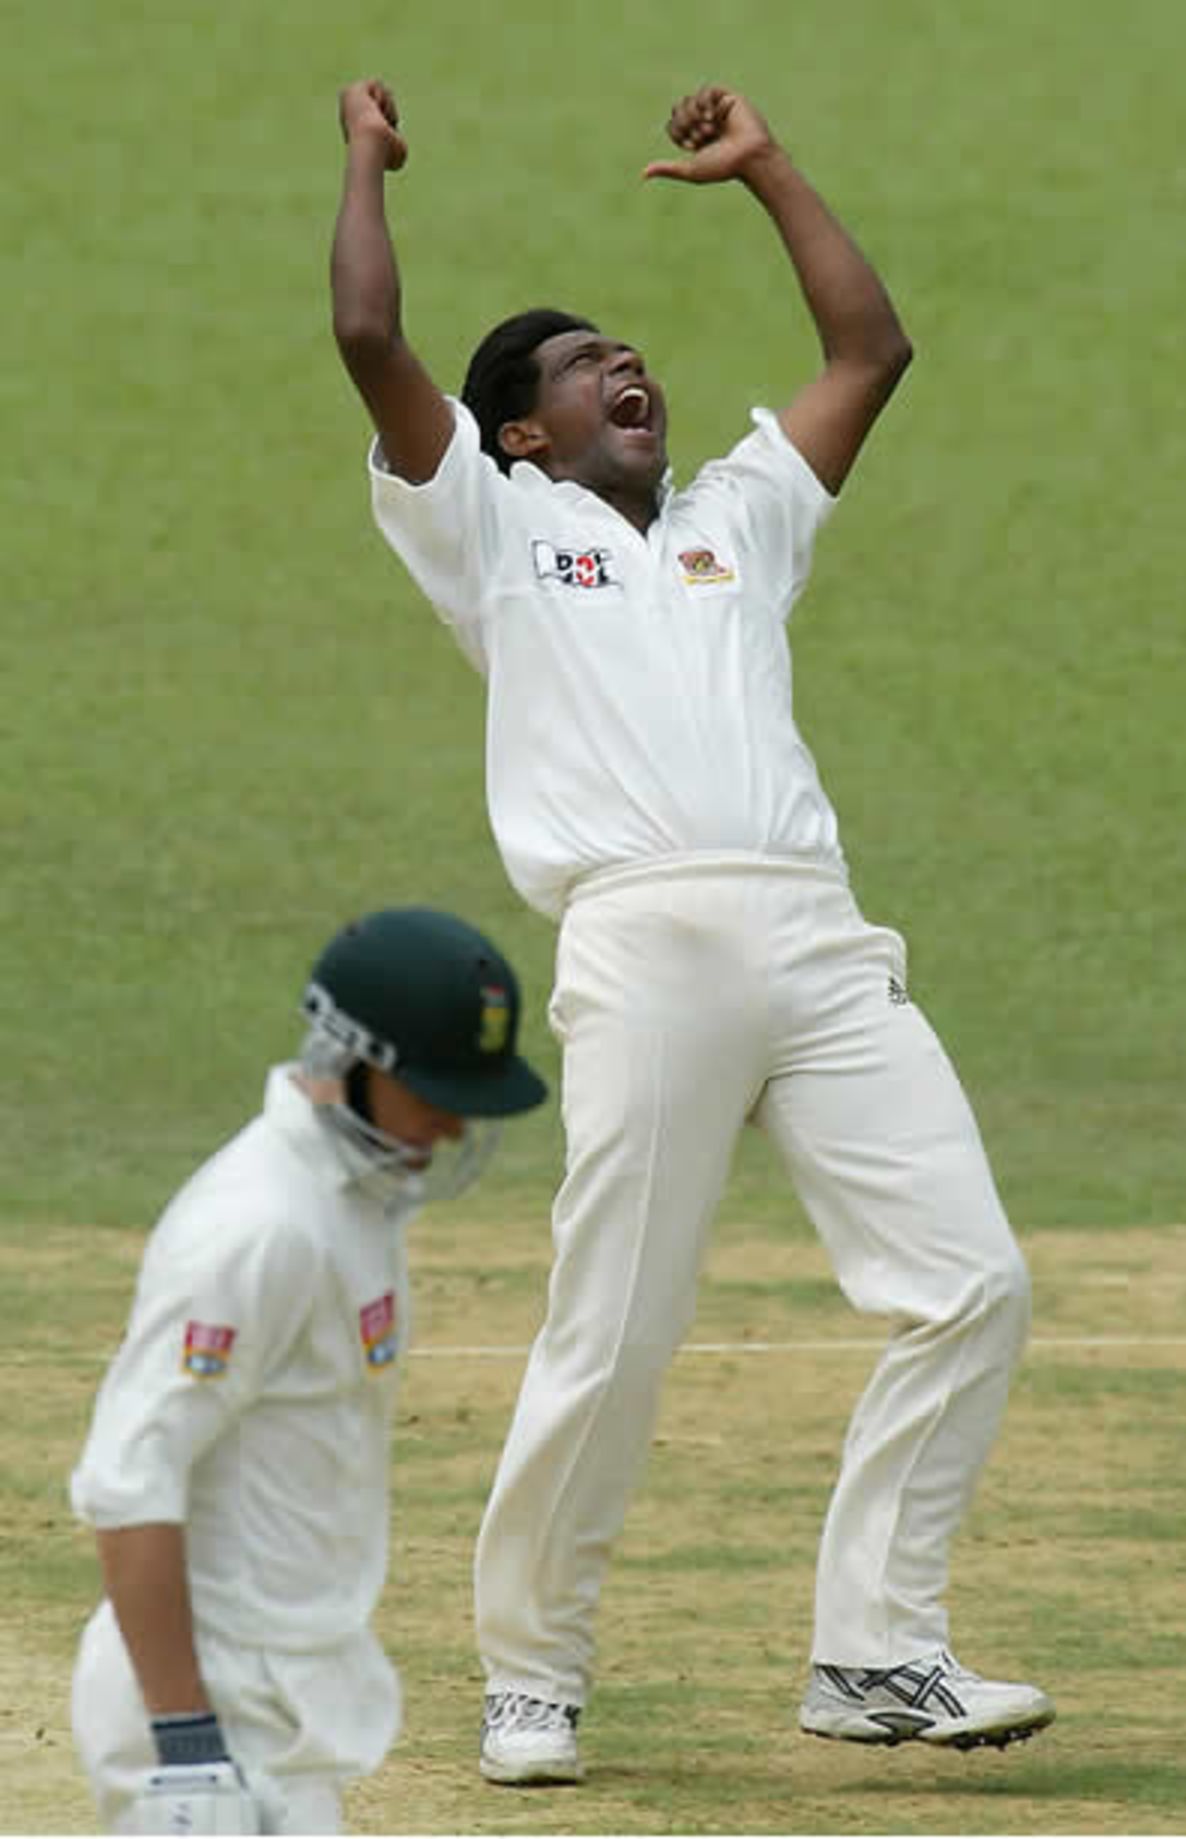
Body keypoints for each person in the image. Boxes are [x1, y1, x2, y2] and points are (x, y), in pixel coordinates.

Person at [330, 78, 1056, 1786]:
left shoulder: (743, 512)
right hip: (643, 945)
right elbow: (370, 330)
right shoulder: (492, 528)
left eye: (633, 352)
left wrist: (771, 170)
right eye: (584, 365)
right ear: (520, 431)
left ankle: (878, 1650)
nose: (624, 368)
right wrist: (366, 160)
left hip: (817, 940)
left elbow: (869, 352)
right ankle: (533, 1677)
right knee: (617, 1327)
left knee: (975, 1283)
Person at [70, 906, 547, 1834]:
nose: (452, 1126)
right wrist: (185, 1744)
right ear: (355, 1061)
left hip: (288, 1701)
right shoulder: (258, 1228)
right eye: (437, 1090)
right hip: (207, 1708)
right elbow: (128, 1482)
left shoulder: (359, 1202)